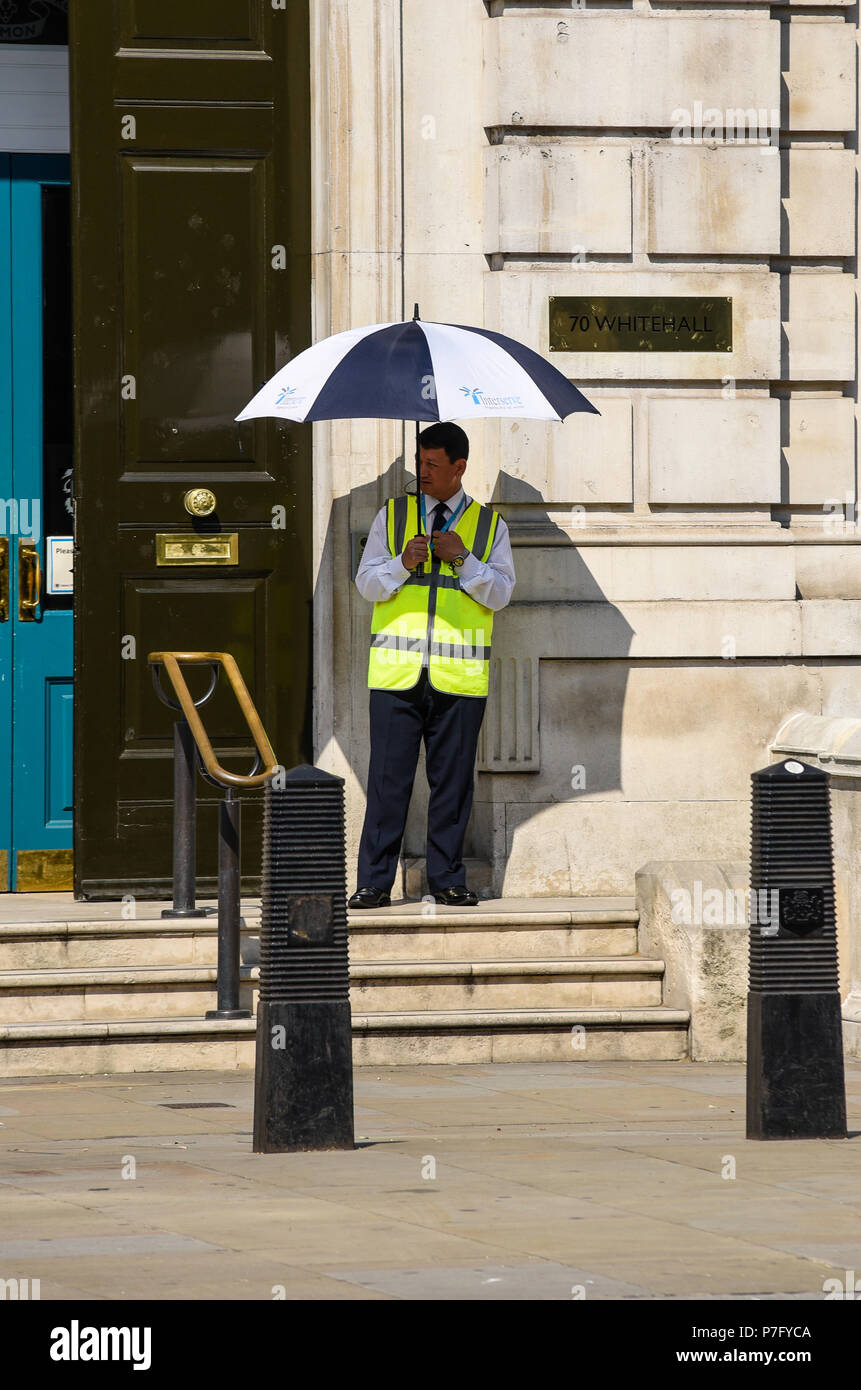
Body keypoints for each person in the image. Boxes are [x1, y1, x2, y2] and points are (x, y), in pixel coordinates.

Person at [349, 421, 516, 908]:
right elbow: (367, 585)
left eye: (432, 465)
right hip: (396, 673)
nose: (421, 472)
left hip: (460, 677)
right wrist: (402, 563)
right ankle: (374, 884)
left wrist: (463, 559)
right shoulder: (394, 516)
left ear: (458, 468)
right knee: (387, 781)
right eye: (420, 462)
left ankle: (447, 879)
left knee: (453, 784)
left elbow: (502, 594)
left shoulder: (489, 527)